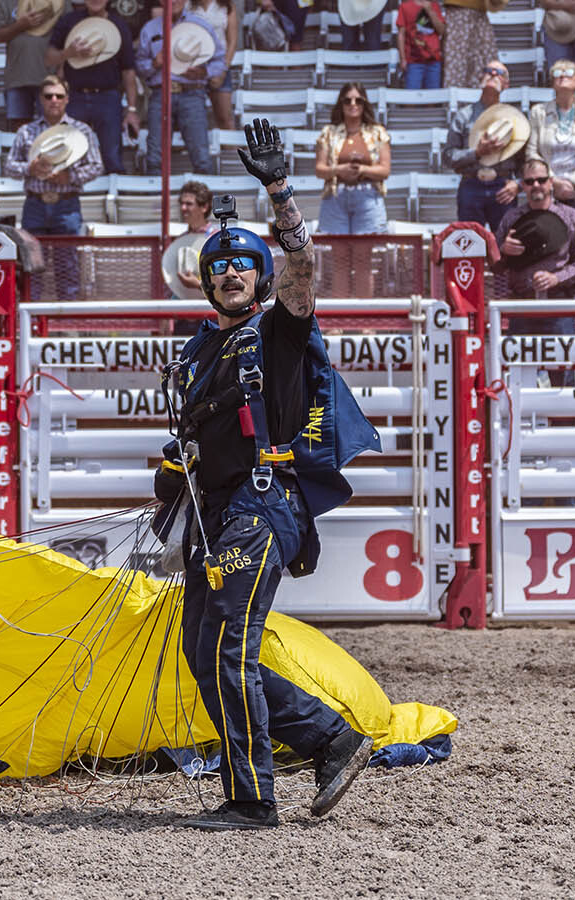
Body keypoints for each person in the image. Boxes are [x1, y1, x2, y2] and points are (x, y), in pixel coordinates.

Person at [154, 118, 377, 831]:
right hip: (214, 515)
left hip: (261, 508)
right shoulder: (196, 353)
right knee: (201, 651)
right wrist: (175, 467)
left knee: (229, 647)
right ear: (205, 280)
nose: (230, 274)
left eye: (243, 265)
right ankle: (329, 738)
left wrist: (280, 191)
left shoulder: (278, 331)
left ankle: (251, 798)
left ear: (259, 276)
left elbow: (303, 270)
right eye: (219, 266)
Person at [494, 158, 575, 387]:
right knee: (519, 377)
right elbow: (496, 266)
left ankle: (564, 411)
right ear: (523, 185)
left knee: (563, 376)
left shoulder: (571, 216)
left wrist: (556, 278)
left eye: (541, 180)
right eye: (529, 182)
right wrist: (503, 251)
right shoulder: (511, 218)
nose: (536, 185)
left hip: (558, 306)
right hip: (521, 306)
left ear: (551, 182)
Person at [2, 74, 103, 299]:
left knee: (67, 265)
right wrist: (30, 169)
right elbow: (9, 167)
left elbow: (97, 166)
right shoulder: (26, 131)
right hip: (35, 203)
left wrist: (70, 177)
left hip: (67, 204)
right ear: (41, 99)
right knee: (32, 265)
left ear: (67, 99)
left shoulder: (82, 130)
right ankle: (32, 317)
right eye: (49, 96)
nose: (54, 100)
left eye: (59, 96)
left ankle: (67, 317)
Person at [47, 0, 138, 172]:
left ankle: (113, 188)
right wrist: (69, 53)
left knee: (112, 156)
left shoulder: (119, 25)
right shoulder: (69, 21)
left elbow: (128, 70)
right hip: (75, 96)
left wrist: (132, 109)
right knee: (70, 155)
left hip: (108, 97)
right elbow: (49, 58)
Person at [135, 0, 223, 175]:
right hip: (161, 93)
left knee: (201, 154)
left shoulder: (201, 25)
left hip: (192, 92)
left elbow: (219, 60)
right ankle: (155, 191)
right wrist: (155, 63)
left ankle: (203, 191)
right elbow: (140, 66)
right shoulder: (150, 29)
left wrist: (204, 72)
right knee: (155, 156)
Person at [526, 58, 575, 231]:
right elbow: (532, 152)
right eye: (557, 73)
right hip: (548, 189)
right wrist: (553, 182)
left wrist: (573, 183)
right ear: (552, 83)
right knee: (549, 239)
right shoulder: (538, 112)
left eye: (569, 73)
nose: (562, 76)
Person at [446, 59, 522, 229]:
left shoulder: (515, 119)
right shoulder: (463, 116)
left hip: (503, 187)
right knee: (470, 240)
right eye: (488, 71)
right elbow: (448, 156)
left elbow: (525, 158)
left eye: (499, 73)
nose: (493, 74)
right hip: (471, 185)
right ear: (480, 78)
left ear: (506, 84)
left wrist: (518, 184)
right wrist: (476, 153)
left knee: (505, 241)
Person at [313, 82, 390, 234]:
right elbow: (319, 169)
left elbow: (385, 170)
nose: (353, 104)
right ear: (341, 104)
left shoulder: (377, 132)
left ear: (364, 104)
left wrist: (362, 170)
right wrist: (339, 170)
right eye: (347, 101)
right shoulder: (328, 132)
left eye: (358, 100)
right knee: (336, 247)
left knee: (366, 247)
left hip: (368, 196)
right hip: (335, 197)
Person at [0, 0, 53, 131]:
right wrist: (20, 25)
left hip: (51, 78)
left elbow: (68, 33)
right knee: (19, 131)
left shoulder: (60, 2)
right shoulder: (7, 3)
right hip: (17, 78)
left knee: (51, 128)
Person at [186, 0, 238, 129]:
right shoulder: (187, 5)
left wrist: (223, 70)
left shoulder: (227, 6)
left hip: (219, 64)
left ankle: (229, 143)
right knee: (191, 117)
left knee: (225, 118)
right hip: (194, 65)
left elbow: (232, 41)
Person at [441, 0, 496, 90]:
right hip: (458, 11)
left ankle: (481, 94)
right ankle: (456, 96)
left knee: (481, 59)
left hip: (479, 13)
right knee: (456, 61)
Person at [395, 0, 446, 90]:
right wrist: (402, 59)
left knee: (433, 95)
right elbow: (401, 34)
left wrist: (430, 11)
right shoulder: (405, 7)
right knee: (411, 95)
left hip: (434, 60)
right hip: (413, 61)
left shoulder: (434, 6)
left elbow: (441, 31)